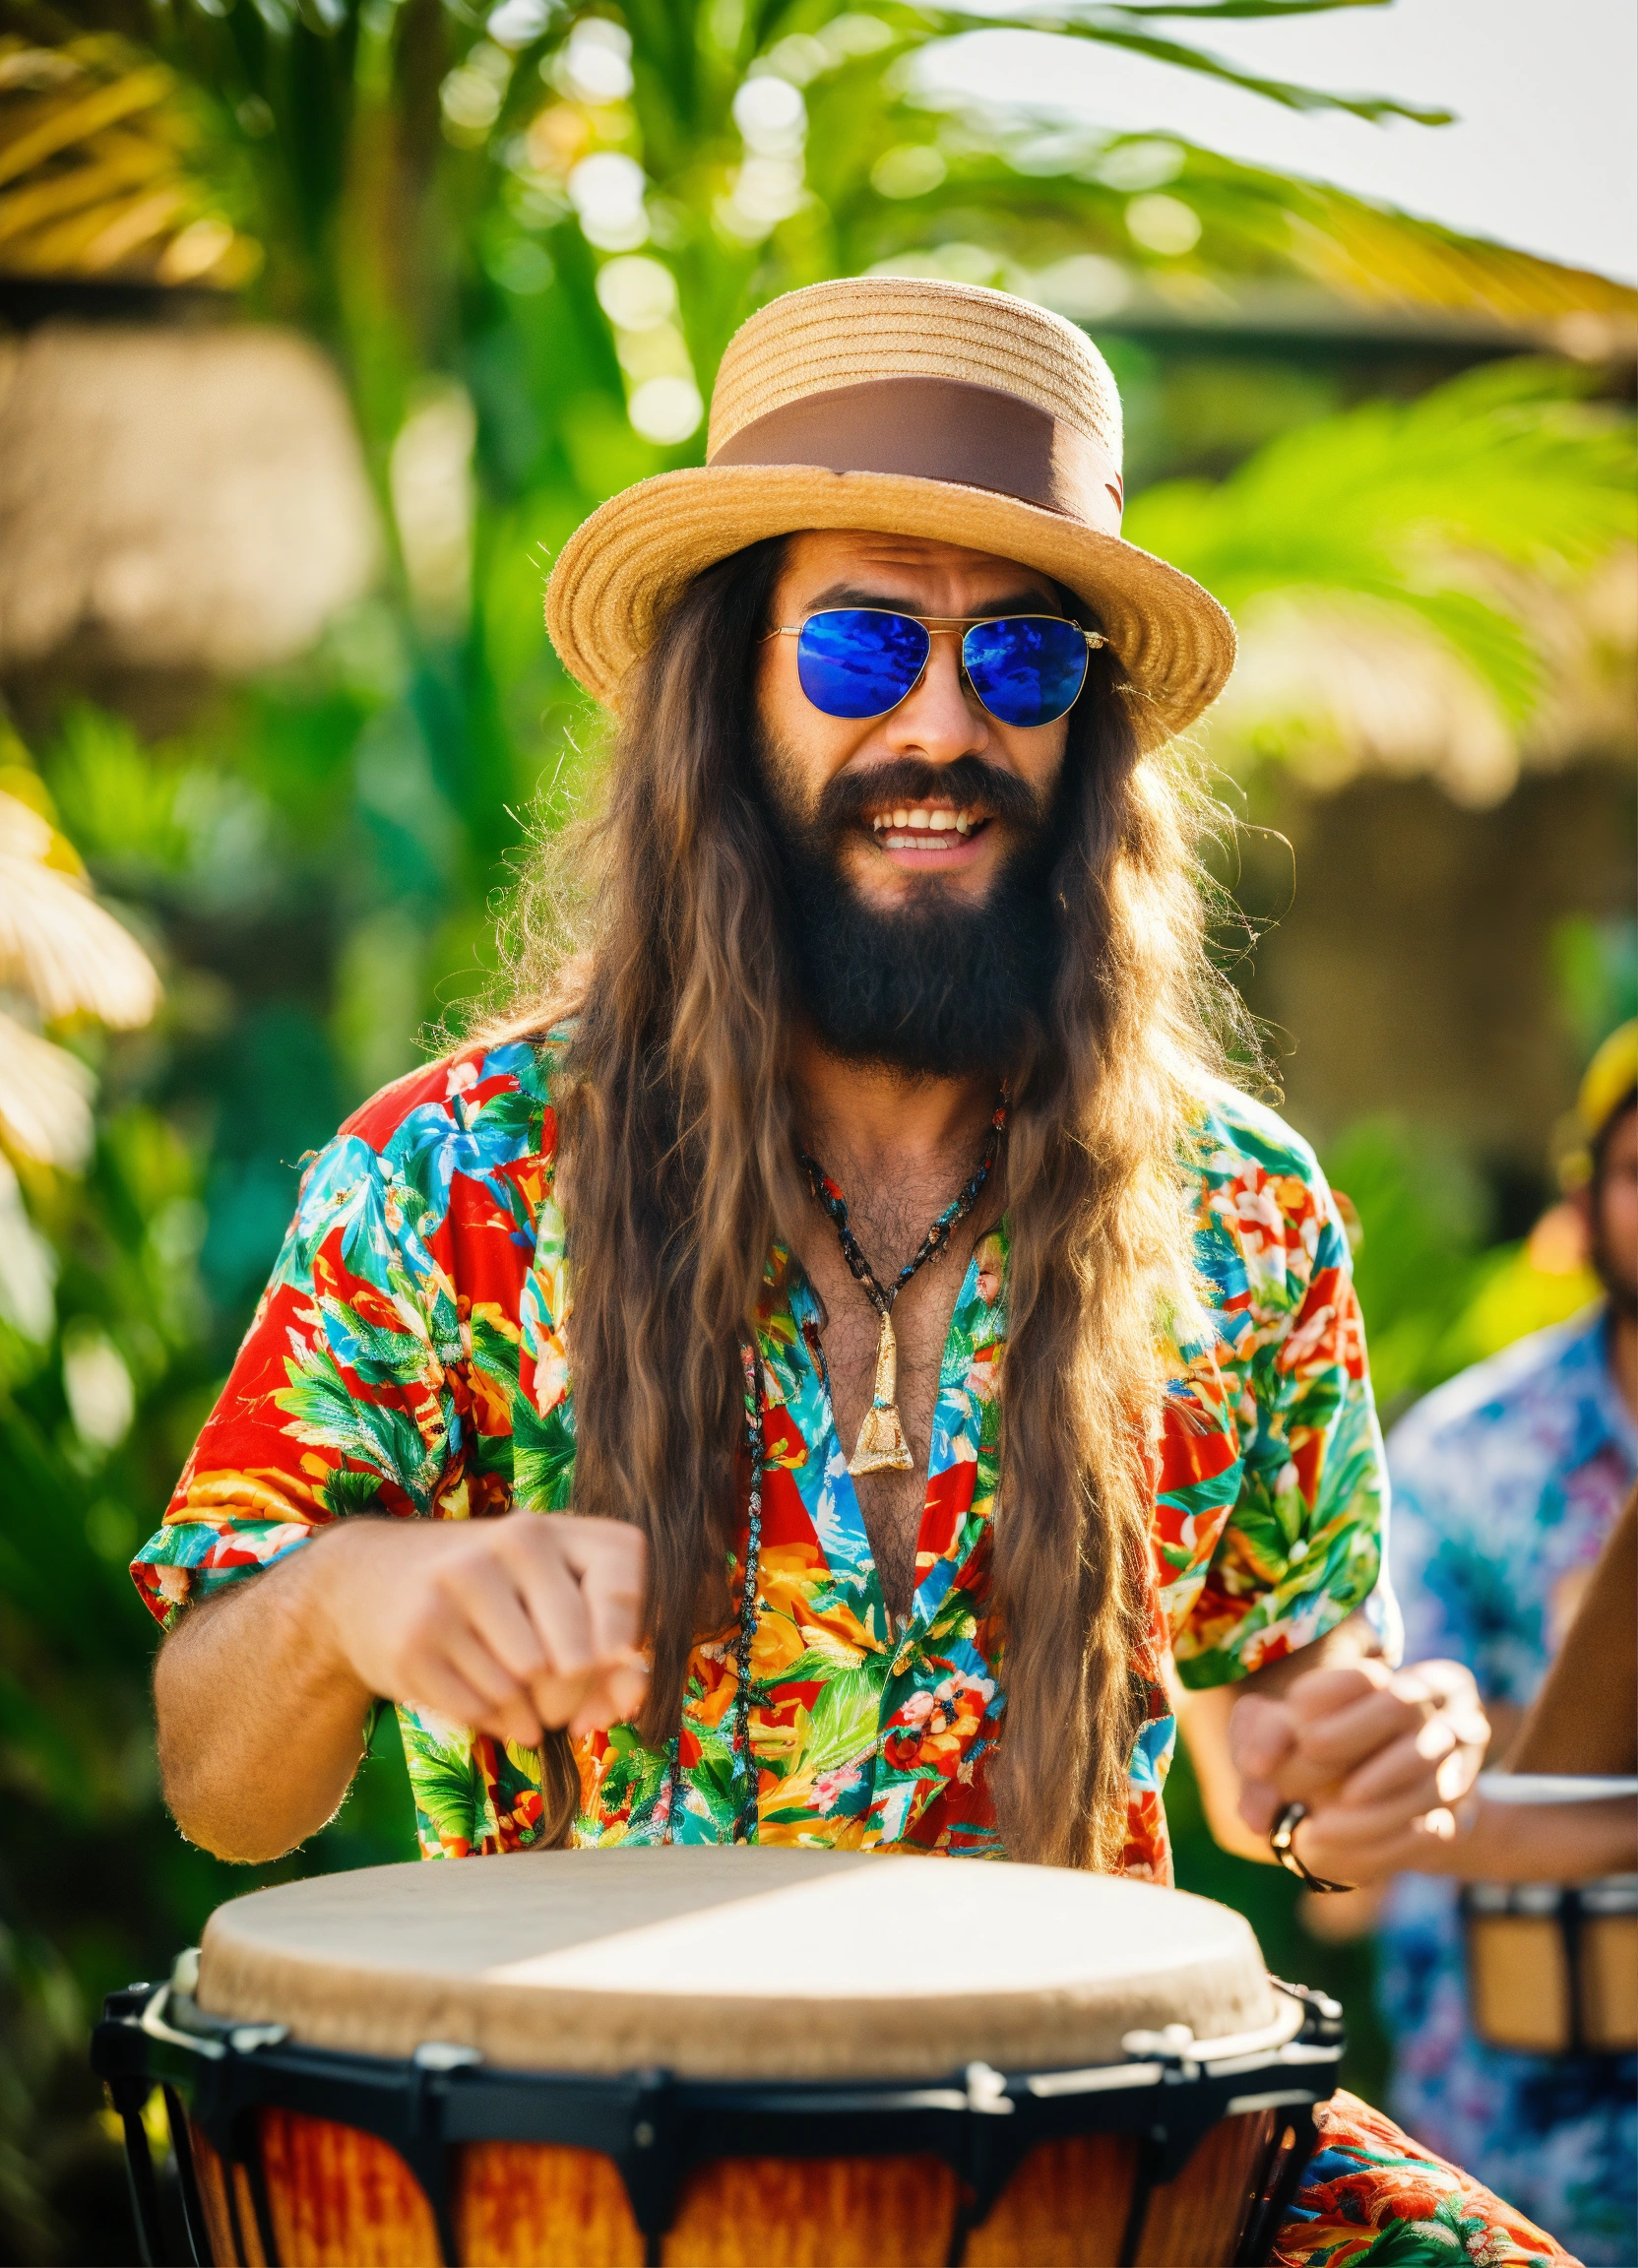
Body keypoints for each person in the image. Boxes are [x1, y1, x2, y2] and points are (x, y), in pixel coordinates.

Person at [133, 278, 1567, 2263]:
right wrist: (355, 1597)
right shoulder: (444, 1175)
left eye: (1024, 658)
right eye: (866, 639)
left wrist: (1358, 1762)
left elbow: (1265, 1750)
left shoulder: (1242, 1212)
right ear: (726, 692)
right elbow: (220, 1784)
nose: (941, 727)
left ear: (1093, 734)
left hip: (1102, 2171)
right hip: (584, 2198)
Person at [1374, 1019, 1638, 2265]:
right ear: (1585, 1200)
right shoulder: (1465, 1454)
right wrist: (1592, 1646)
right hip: (1522, 2130)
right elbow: (1380, 1833)